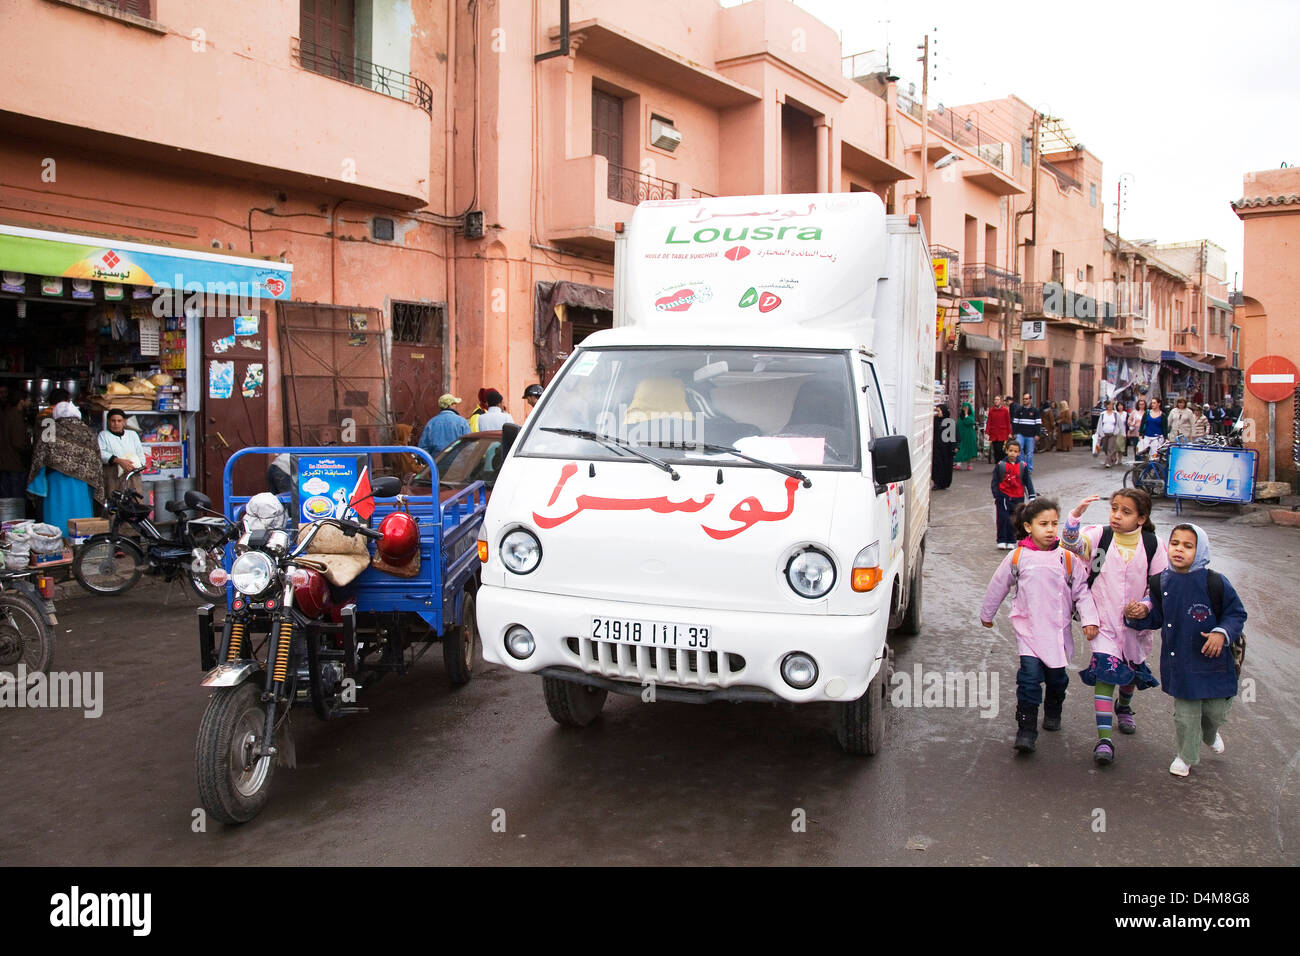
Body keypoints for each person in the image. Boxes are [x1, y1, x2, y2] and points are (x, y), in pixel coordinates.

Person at [1124, 523, 1246, 777]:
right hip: (1181, 663)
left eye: (1188, 546)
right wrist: (1135, 615)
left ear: (1200, 550)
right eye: (1175, 543)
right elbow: (1155, 617)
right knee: (1186, 715)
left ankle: (1210, 734)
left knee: (1215, 712)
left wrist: (1220, 633)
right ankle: (1186, 756)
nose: (1179, 550)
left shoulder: (1215, 583)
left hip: (1213, 663)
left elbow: (1236, 614)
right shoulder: (1160, 583)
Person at [980, 497, 1100, 753]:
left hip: (1058, 633)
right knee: (1029, 680)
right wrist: (987, 614)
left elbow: (1082, 593)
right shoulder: (1017, 557)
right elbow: (998, 585)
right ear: (1028, 527)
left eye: (1054, 524)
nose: (1050, 529)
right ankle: (1026, 730)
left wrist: (1090, 620)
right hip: (1029, 632)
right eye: (1043, 524)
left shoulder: (1067, 559)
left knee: (1057, 680)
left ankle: (1054, 708)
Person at [1061, 490, 1168, 765]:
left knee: (1130, 672)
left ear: (1142, 518)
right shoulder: (1100, 537)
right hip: (1104, 625)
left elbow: (1159, 587)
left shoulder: (1153, 546)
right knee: (1106, 674)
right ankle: (1105, 739)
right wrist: (1075, 516)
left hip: (1135, 626)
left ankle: (1125, 706)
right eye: (1114, 509)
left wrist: (1145, 605)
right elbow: (1071, 544)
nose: (1117, 516)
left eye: (1126, 511)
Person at [27, 401, 104, 536]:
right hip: (82, 483)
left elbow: (39, 455)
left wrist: (36, 480)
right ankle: (83, 545)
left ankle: (58, 544)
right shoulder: (87, 430)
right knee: (80, 514)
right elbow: (96, 458)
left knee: (57, 513)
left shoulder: (49, 429)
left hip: (56, 482)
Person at [990, 439, 1035, 548]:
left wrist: (1032, 496)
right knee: (1002, 518)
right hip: (1003, 497)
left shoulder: (1022, 466)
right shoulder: (1000, 465)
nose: (1012, 453)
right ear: (1006, 451)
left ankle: (1011, 540)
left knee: (1014, 520)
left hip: (1018, 497)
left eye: (1015, 451)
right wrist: (997, 495)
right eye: (1010, 450)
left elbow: (1028, 482)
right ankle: (1001, 539)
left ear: (1019, 453)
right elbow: (995, 482)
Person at [97, 408, 148, 503]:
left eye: (119, 421)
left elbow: (140, 452)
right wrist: (119, 461)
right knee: (115, 504)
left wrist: (136, 466)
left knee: (135, 503)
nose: (116, 424)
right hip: (112, 475)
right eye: (113, 421)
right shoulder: (103, 435)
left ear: (124, 422)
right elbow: (101, 453)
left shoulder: (132, 435)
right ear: (108, 421)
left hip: (132, 473)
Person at [0, 387, 32, 499]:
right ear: (21, 401)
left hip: (5, 463)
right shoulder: (16, 417)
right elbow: (18, 444)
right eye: (28, 399)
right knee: (16, 501)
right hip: (15, 464)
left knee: (6, 501)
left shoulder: (6, 414)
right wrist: (31, 450)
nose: (30, 402)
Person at [1011, 392, 1041, 474]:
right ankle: (1021, 467)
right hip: (1020, 434)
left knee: (1029, 453)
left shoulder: (1035, 411)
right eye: (1024, 399)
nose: (1025, 400)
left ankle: (1029, 468)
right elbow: (1015, 422)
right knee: (1019, 450)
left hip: (1031, 435)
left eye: (1026, 399)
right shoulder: (1019, 410)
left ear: (1030, 400)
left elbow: (1038, 424)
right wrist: (1014, 432)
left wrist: (1037, 434)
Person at [931, 403, 956, 489]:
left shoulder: (949, 422)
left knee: (945, 466)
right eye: (936, 411)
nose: (937, 413)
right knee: (936, 465)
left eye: (939, 411)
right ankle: (937, 483)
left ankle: (943, 483)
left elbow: (953, 437)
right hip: (936, 448)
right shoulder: (935, 421)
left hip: (946, 450)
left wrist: (954, 447)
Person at [1096, 400, 1124, 468]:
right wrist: (1098, 433)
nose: (1110, 406)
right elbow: (1099, 424)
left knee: (1110, 448)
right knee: (1105, 448)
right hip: (1104, 433)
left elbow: (1120, 424)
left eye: (1111, 405)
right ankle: (1111, 458)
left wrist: (1123, 433)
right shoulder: (1103, 414)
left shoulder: (1115, 414)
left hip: (1113, 433)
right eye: (1109, 405)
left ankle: (1108, 462)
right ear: (1106, 406)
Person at [985, 394, 1011, 464]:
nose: (996, 401)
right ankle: (998, 465)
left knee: (999, 449)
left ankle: (1007, 459)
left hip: (1002, 433)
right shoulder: (991, 411)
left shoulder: (1005, 410)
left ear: (1001, 401)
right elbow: (989, 422)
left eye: (997, 400)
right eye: (995, 400)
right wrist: (987, 432)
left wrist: (1009, 433)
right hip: (993, 433)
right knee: (996, 451)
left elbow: (1008, 422)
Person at [955, 402, 977, 471]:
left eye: (967, 408)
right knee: (960, 448)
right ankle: (958, 464)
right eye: (964, 408)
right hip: (962, 435)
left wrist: (966, 415)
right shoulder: (961, 416)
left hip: (969, 436)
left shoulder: (970, 416)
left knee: (969, 449)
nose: (965, 409)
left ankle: (969, 464)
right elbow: (959, 425)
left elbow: (969, 422)